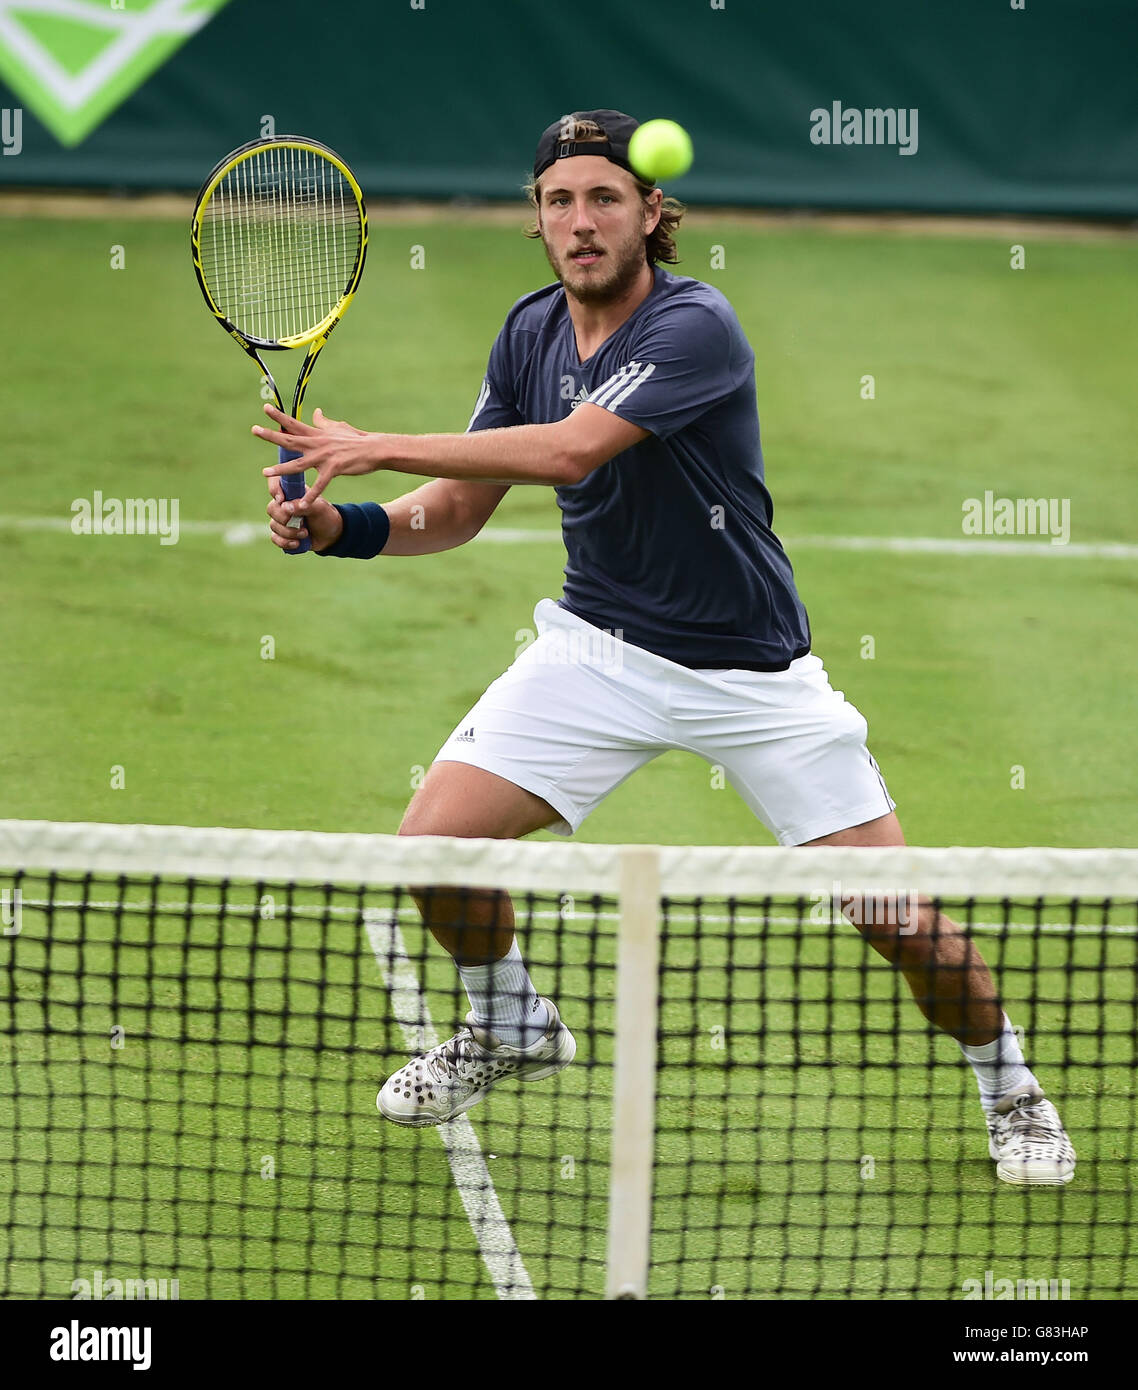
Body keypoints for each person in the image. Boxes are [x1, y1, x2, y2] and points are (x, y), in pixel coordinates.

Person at [255, 110, 1074, 1186]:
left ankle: (1010, 1087)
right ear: (537, 219)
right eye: (559, 201)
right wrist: (341, 529)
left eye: (604, 198)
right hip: (595, 648)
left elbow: (571, 449)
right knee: (435, 850)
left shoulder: (696, 325)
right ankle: (511, 1025)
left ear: (651, 212)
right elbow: (458, 506)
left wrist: (370, 443)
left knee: (894, 917)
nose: (580, 222)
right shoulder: (529, 331)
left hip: (752, 678)